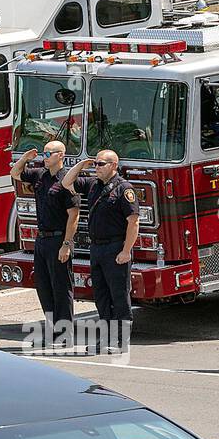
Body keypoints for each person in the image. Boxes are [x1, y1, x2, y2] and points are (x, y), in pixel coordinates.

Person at [63, 149, 139, 354]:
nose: (97, 167)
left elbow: (133, 222)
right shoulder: (93, 185)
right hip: (96, 248)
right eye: (95, 164)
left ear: (114, 165)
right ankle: (106, 338)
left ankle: (121, 341)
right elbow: (66, 183)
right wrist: (81, 165)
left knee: (119, 296)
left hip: (115, 247)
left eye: (101, 164)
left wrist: (126, 251)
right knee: (102, 296)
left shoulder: (124, 189)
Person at [10, 141, 78, 347]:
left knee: (61, 287)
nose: (44, 156)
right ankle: (52, 331)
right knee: (43, 287)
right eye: (44, 152)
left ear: (61, 155)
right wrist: (24, 159)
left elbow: (73, 215)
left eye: (48, 153)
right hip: (41, 239)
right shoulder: (40, 175)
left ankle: (65, 334)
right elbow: (15, 173)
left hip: (58, 239)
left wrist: (67, 243)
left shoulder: (66, 180)